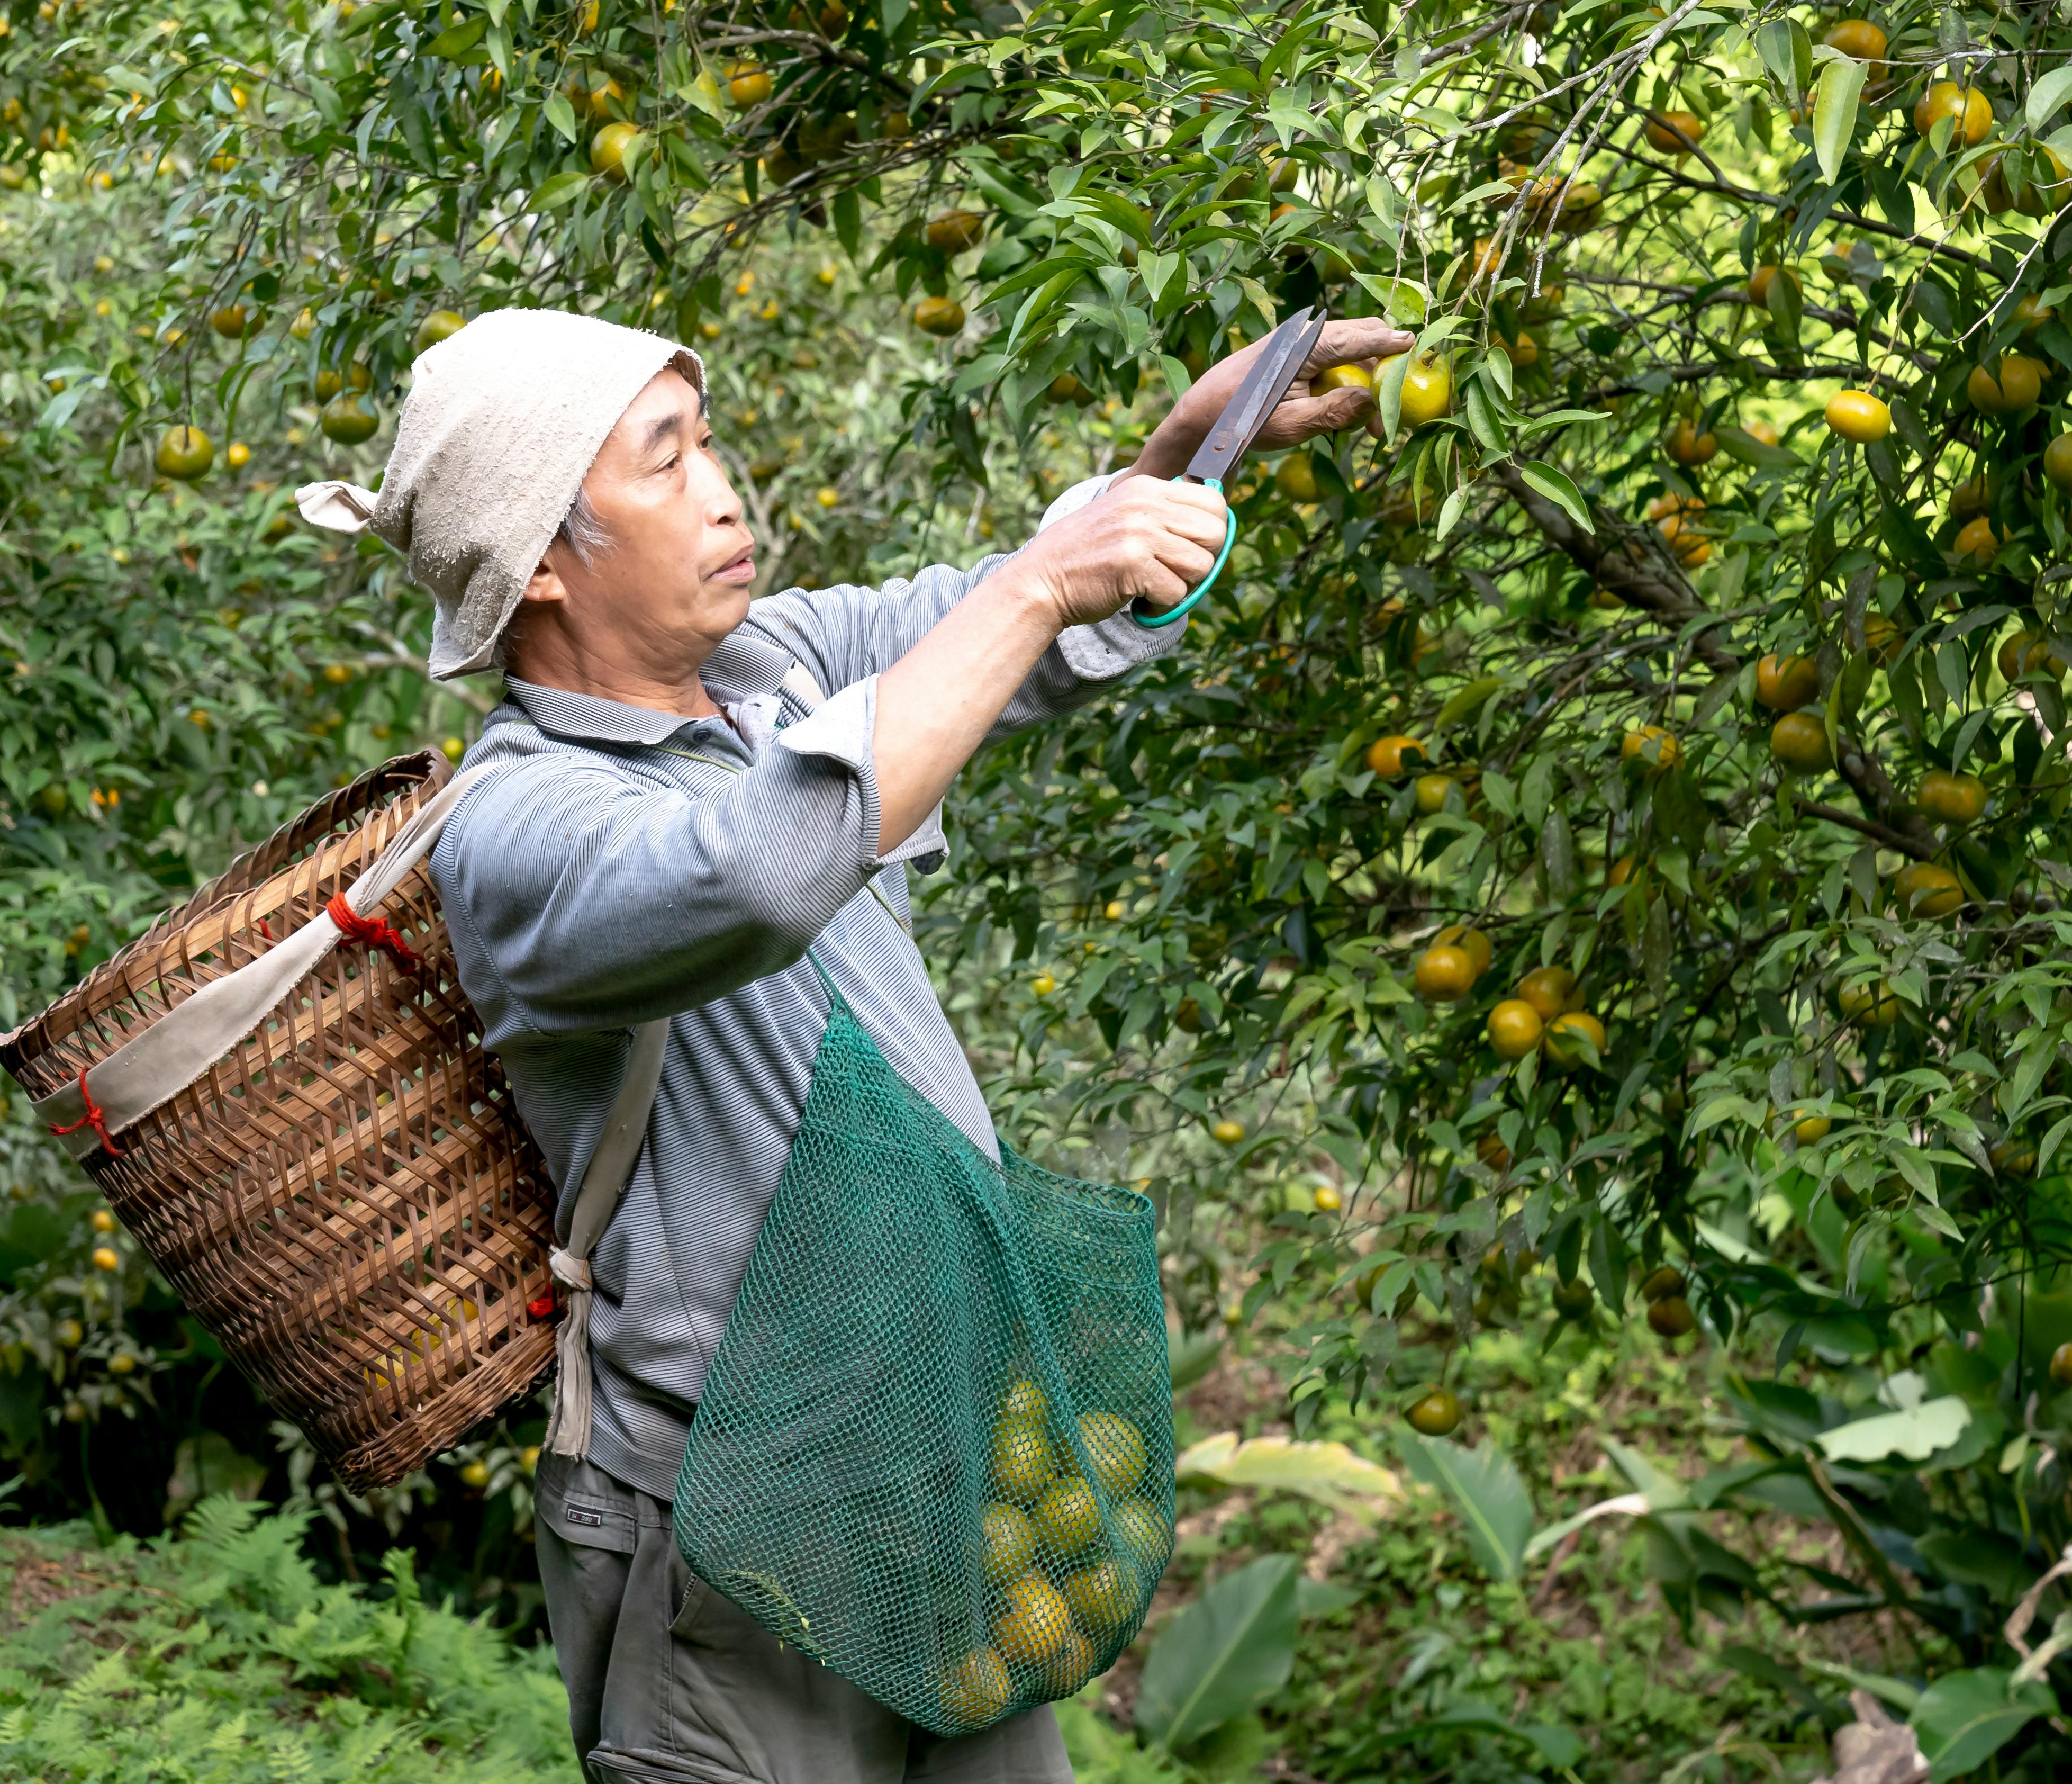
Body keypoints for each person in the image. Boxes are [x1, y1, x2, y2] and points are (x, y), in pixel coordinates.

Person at [295, 303, 1403, 1784]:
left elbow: (1022, 625)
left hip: (933, 1480)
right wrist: (1035, 592)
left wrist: (1185, 460)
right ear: (548, 562)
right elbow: (759, 870)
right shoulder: (521, 823)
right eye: (667, 461)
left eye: (709, 443)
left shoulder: (767, 674)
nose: (722, 488)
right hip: (734, 1527)